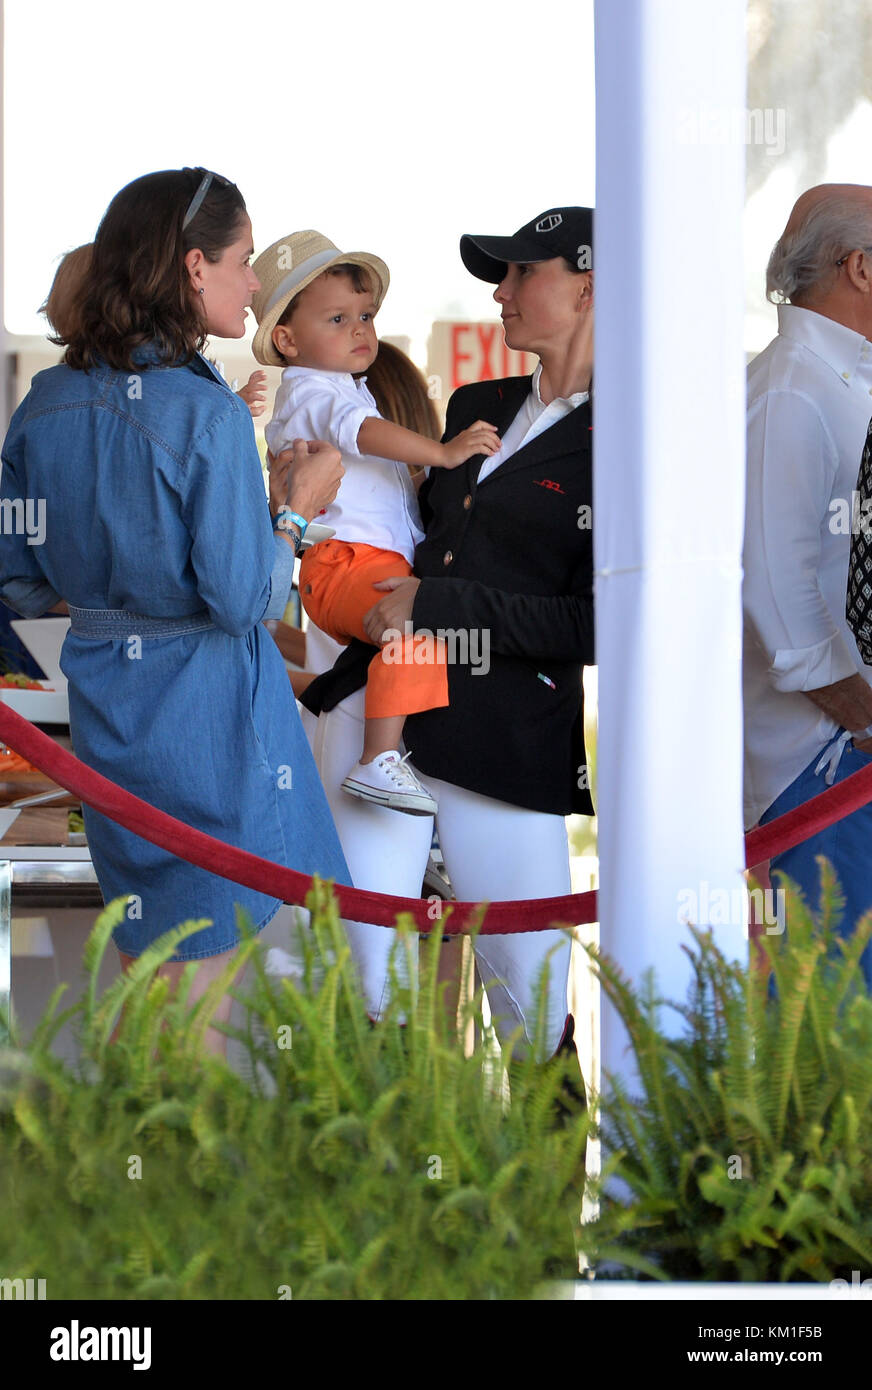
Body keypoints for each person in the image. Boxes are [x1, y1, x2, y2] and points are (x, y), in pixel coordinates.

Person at [0, 168, 350, 1053]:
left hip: (112, 708)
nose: (256, 284)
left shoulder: (44, 403)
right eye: (242, 262)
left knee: (149, 956)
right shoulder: (204, 413)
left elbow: (18, 576)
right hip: (208, 713)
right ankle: (171, 1175)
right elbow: (242, 600)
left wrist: (116, 597)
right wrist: (295, 510)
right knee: (205, 980)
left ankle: (136, 1163)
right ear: (195, 267)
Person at [303, 207, 595, 1066]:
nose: (499, 293)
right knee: (363, 989)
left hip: (507, 743)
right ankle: (383, 1192)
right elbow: (396, 541)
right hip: (379, 728)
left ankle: (544, 1199)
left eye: (519, 273)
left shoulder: (634, 433)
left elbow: (597, 623)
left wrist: (443, 603)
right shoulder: (477, 405)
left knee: (532, 1017)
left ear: (587, 286)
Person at [250, 231, 499, 816]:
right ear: (287, 339)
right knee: (417, 624)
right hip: (346, 562)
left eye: (366, 315)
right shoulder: (315, 391)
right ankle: (378, 761)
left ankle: (384, 756)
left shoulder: (339, 390)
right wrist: (442, 454)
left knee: (420, 629)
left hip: (357, 562)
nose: (360, 330)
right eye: (337, 318)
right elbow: (360, 433)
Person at [744, 184, 872, 985]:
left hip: (840, 751)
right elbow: (777, 589)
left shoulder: (837, 379)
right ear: (860, 267)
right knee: (838, 1025)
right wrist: (863, 718)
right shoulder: (792, 387)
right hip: (821, 760)